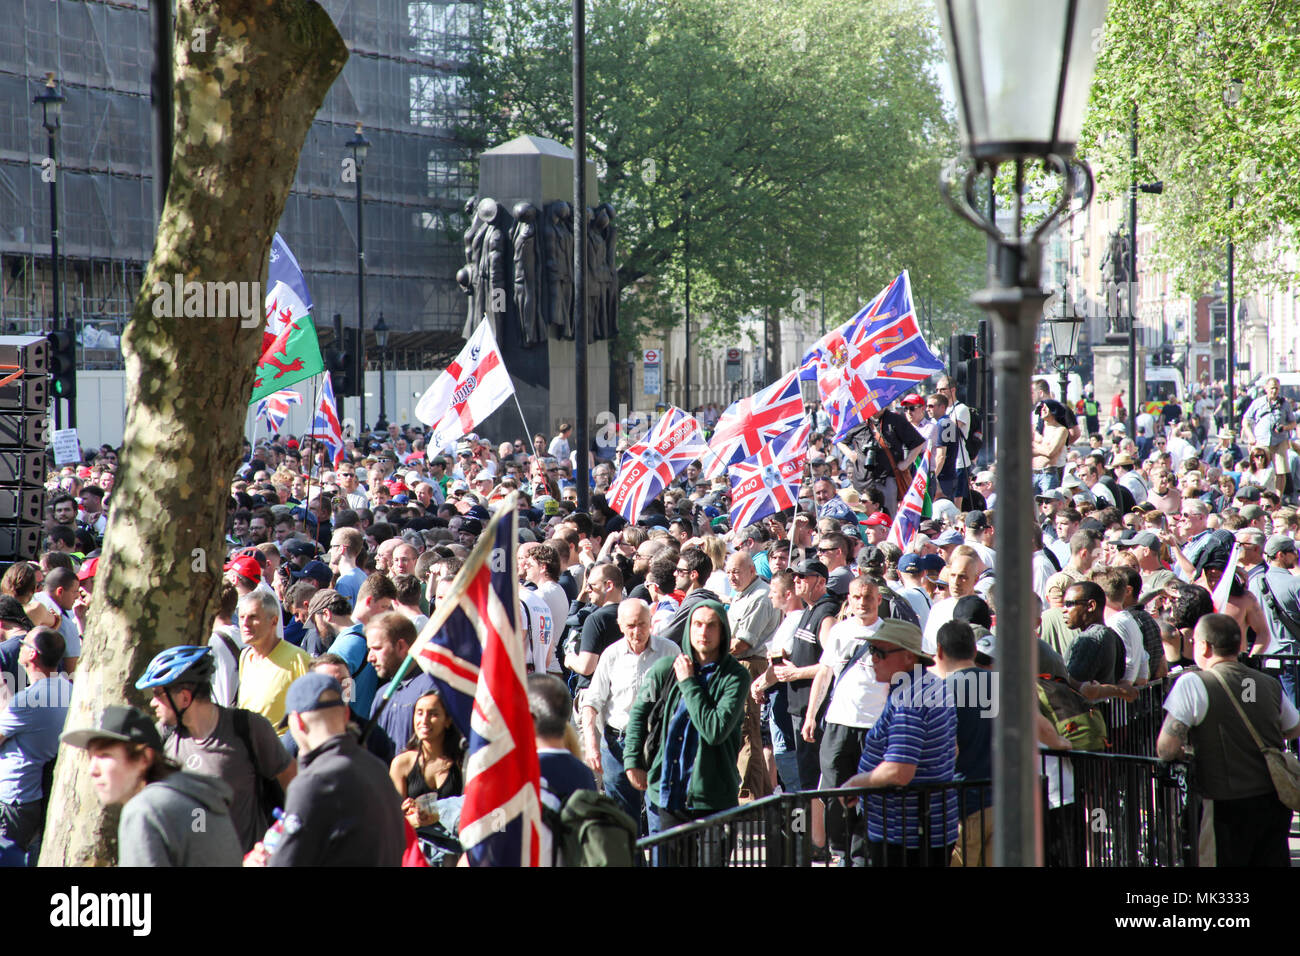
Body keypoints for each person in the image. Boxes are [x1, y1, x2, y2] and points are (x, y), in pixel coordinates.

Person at [1158, 613, 1300, 866]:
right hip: (1273, 799)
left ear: (1204, 646)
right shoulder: (1267, 683)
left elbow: (1166, 748)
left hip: (1224, 805)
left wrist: (1184, 752)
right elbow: (1293, 728)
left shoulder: (1193, 683)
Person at [134, 645, 295, 853]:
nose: (153, 703)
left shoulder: (248, 728)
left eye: (158, 694)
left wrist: (284, 839)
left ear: (184, 698)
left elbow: (292, 780)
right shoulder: (162, 739)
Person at [623, 600, 748, 845]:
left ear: (723, 631)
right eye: (697, 624)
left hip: (713, 800)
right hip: (669, 796)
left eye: (711, 625)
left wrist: (689, 683)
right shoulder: (666, 668)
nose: (703, 632)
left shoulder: (735, 675)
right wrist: (632, 761)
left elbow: (714, 730)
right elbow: (638, 714)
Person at [61, 706, 243, 866]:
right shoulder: (198, 796)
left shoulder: (145, 810)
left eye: (105, 756)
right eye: (90, 757)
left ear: (144, 758)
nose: (92, 770)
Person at [843, 619, 958, 868]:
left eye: (880, 652)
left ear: (908, 657)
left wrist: (855, 783)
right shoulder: (928, 685)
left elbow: (899, 771)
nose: (873, 658)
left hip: (907, 835)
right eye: (871, 650)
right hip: (922, 828)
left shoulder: (911, 698)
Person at [580, 599, 676, 833]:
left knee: (660, 819)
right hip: (618, 744)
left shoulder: (670, 651)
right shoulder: (611, 655)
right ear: (620, 625)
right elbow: (591, 702)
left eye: (642, 624)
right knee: (622, 823)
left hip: (657, 744)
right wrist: (591, 746)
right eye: (631, 625)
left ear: (651, 622)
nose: (637, 631)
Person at [0, 628, 70, 865]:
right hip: (39, 795)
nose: (19, 647)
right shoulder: (68, 688)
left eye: (23, 643)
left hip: (15, 798)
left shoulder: (29, 699)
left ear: (32, 654)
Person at [724, 551, 781, 802]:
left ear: (752, 570)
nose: (731, 577)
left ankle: (747, 798)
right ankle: (761, 795)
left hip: (749, 666)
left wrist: (710, 653)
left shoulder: (759, 596)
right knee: (747, 733)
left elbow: (742, 643)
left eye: (736, 571)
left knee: (746, 733)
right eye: (728, 572)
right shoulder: (742, 594)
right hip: (739, 666)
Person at [365, 612, 438, 764]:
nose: (370, 657)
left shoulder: (430, 689)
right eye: (369, 649)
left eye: (377, 648)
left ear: (401, 646)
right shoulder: (382, 694)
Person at [389, 690, 465, 830]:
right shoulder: (402, 763)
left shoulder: (462, 762)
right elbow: (392, 821)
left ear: (448, 720)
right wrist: (411, 818)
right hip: (417, 840)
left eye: (433, 714)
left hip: (455, 839)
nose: (424, 720)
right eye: (419, 713)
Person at [236, 589, 311, 727]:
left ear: (274, 621)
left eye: (253, 617)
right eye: (241, 617)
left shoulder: (298, 659)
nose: (245, 623)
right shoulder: (245, 657)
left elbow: (313, 712)